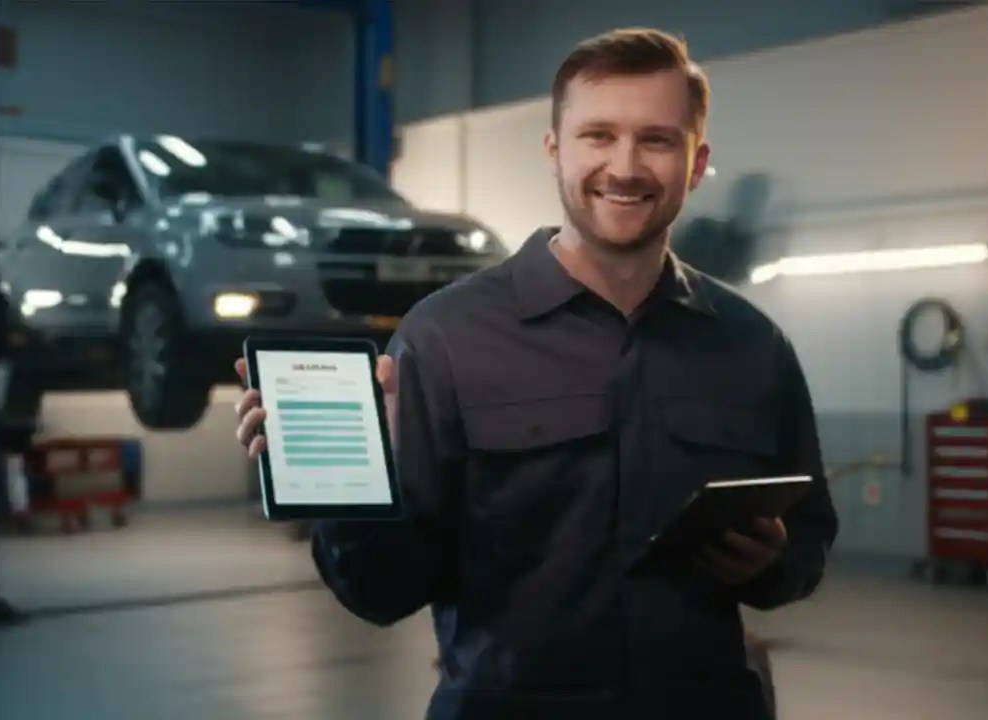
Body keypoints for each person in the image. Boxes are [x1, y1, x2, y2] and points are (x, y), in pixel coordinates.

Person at [235, 27, 838, 719]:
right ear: (554, 152)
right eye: (598, 135)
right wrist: (343, 485)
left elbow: (810, 540)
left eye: (657, 140)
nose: (625, 166)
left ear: (696, 163)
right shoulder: (444, 338)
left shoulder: (752, 345)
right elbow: (380, 591)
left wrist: (771, 564)